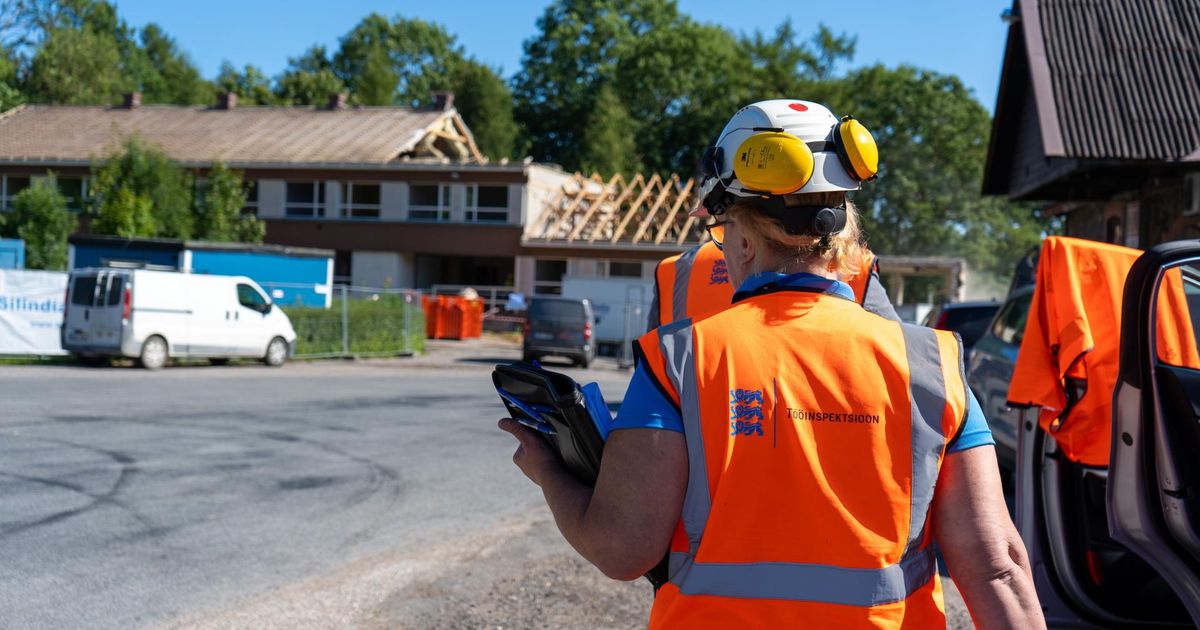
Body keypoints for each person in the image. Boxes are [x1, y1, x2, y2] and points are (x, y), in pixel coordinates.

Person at [500, 99, 1043, 628]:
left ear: (740, 237)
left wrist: (550, 471)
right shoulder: (933, 362)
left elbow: (622, 550)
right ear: (844, 227)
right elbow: (996, 567)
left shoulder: (678, 360)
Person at [648, 236, 898, 330]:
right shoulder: (854, 263)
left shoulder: (678, 269)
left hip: (698, 436)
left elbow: (652, 378)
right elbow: (901, 366)